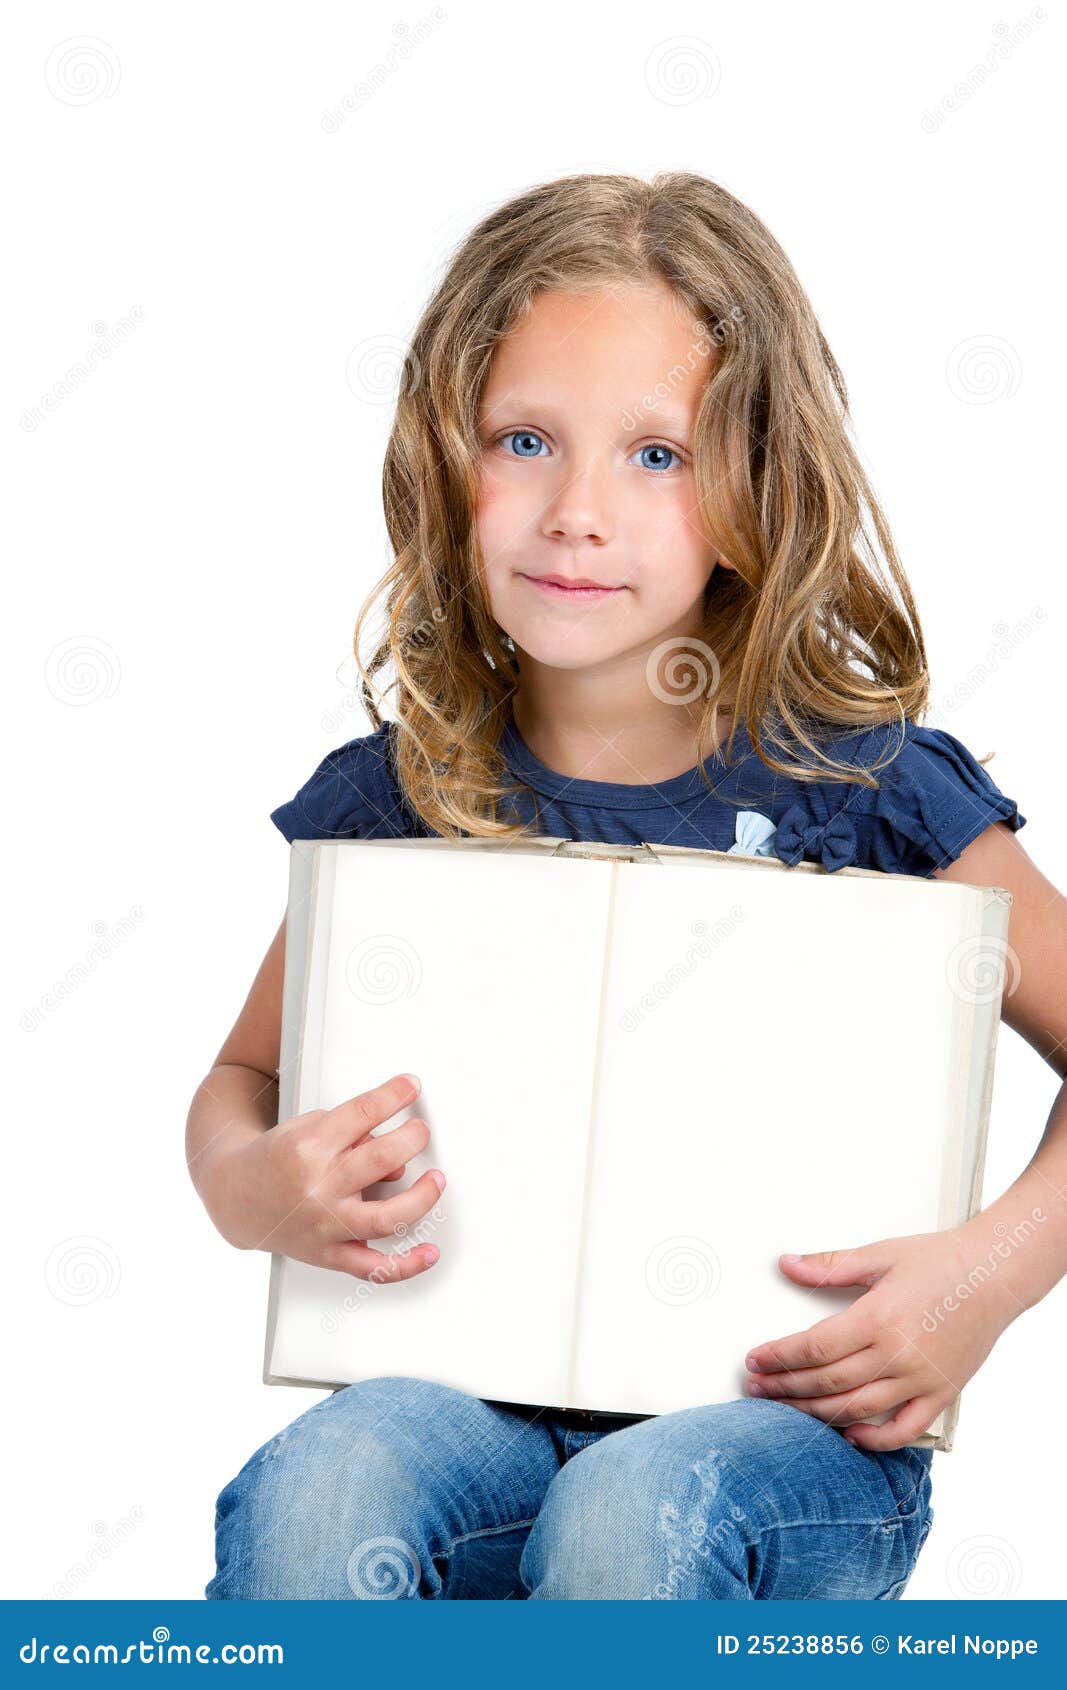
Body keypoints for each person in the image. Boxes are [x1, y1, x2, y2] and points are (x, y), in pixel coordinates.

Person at [189, 171, 1066, 1600]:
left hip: (787, 1439)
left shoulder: (873, 792)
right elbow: (239, 1077)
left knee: (631, 1508)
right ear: (444, 461)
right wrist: (251, 1186)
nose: (576, 512)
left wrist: (990, 1278)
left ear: (755, 482)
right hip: (473, 1406)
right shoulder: (402, 796)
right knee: (326, 1481)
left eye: (657, 454)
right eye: (524, 439)